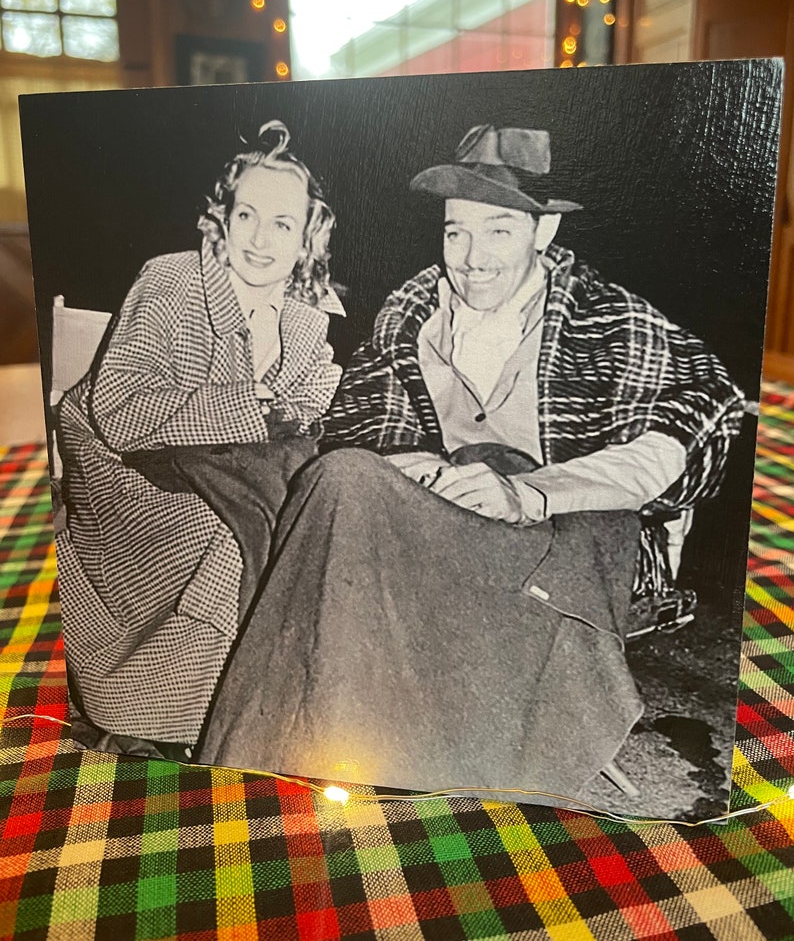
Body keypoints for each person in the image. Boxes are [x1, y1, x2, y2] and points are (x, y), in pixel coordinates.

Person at [199, 125, 746, 797]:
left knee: (337, 486)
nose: (471, 257)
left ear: (544, 233)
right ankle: (285, 757)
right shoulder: (412, 310)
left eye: (498, 232)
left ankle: (242, 767)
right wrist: (423, 467)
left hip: (553, 547)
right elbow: (362, 419)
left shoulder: (606, 319)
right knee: (301, 473)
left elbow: (707, 414)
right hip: (439, 528)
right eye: (456, 232)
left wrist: (534, 491)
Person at [56, 120, 343, 757]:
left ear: (306, 240)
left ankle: (248, 709)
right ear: (223, 218)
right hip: (123, 481)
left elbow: (309, 410)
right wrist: (255, 411)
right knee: (234, 538)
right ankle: (150, 718)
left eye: (282, 225)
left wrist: (277, 417)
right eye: (247, 215)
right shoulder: (172, 279)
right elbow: (120, 411)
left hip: (223, 481)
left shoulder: (306, 323)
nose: (261, 240)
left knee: (309, 531)